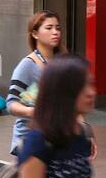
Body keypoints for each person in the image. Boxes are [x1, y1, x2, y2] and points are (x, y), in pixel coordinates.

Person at [6, 12, 65, 154]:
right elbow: (11, 104)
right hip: (31, 138)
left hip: (57, 136)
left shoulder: (62, 62)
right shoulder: (28, 65)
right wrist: (33, 111)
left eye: (57, 28)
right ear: (35, 34)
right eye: (49, 28)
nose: (55, 32)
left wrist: (85, 131)